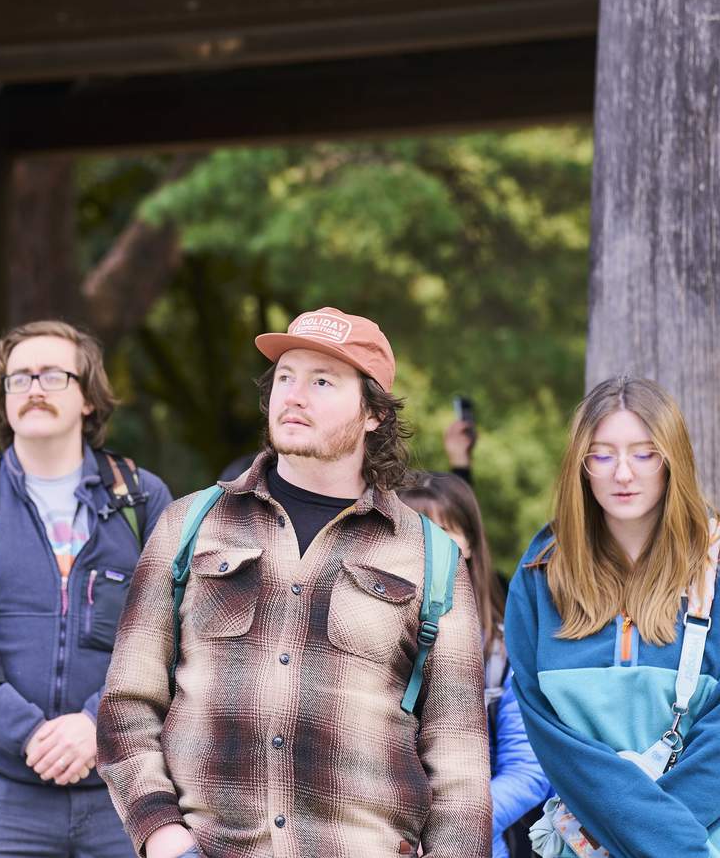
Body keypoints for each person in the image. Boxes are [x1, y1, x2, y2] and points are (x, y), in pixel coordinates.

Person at [98, 306, 490, 858]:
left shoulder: (431, 556)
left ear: (374, 412)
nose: (294, 395)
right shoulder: (189, 526)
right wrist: (164, 837)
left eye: (322, 381)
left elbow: (460, 766)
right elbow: (126, 704)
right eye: (285, 377)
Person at [0, 319, 172, 857]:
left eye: (53, 376)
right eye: (19, 378)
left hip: (123, 781)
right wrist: (29, 734)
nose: (33, 389)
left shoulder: (142, 501)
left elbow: (173, 633)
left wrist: (98, 725)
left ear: (89, 400)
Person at [506, 376, 720, 857]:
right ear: (581, 467)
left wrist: (661, 842)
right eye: (602, 455)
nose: (623, 473)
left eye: (644, 453)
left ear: (672, 461)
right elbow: (553, 737)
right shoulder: (541, 573)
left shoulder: (716, 564)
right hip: (585, 845)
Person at [398, 472, 550, 857]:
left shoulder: (505, 649)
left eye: (443, 533)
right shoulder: (357, 639)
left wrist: (449, 832)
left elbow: (528, 771)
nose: (429, 550)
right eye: (415, 534)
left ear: (468, 544)